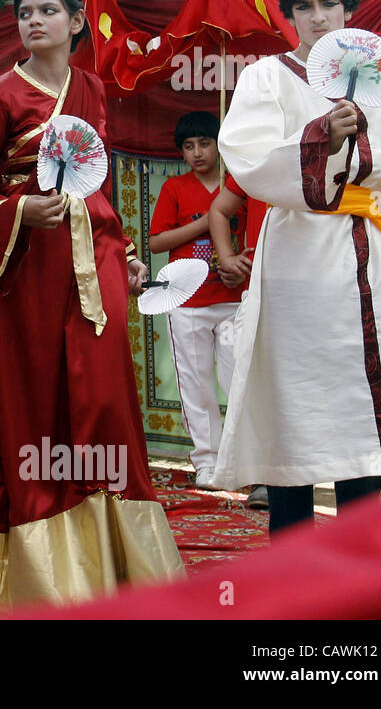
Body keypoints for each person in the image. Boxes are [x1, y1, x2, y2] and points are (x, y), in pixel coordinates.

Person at [0, 0, 183, 616]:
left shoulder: (93, 89)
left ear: (76, 21)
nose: (34, 21)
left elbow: (94, 184)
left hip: (96, 269)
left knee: (103, 403)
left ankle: (118, 569)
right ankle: (46, 579)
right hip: (28, 272)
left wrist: (129, 255)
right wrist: (20, 210)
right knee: (37, 404)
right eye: (25, 12)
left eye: (49, 10)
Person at [211, 0, 381, 534]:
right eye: (303, 7)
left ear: (350, 9)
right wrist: (319, 137)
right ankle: (290, 549)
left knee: (361, 396)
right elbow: (251, 159)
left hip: (364, 253)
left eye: (329, 4)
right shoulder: (266, 75)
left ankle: (359, 550)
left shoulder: (376, 83)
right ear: (290, 16)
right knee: (295, 396)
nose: (318, 18)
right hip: (296, 256)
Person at [148, 112, 245, 492]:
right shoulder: (175, 188)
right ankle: (208, 462)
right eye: (189, 147)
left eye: (205, 143)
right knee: (196, 385)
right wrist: (208, 220)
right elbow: (157, 242)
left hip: (234, 299)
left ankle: (241, 460)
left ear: (220, 144)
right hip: (187, 300)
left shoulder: (239, 186)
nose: (198, 152)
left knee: (238, 379)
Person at [206, 172, 270, 509]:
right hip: (262, 288)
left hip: (322, 285)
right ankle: (265, 478)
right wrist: (227, 256)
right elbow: (219, 210)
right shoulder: (255, 154)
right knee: (260, 384)